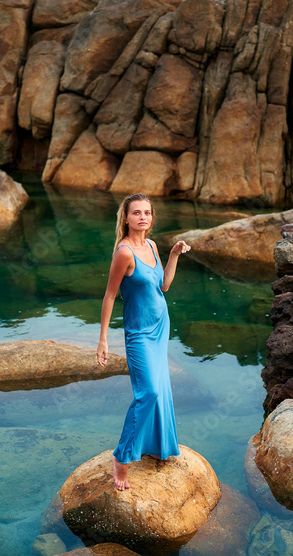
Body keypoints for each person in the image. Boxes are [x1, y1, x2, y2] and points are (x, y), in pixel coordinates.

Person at [97, 193, 191, 491]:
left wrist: (174, 254)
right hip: (138, 332)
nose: (142, 217)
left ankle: (155, 446)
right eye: (136, 213)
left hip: (160, 325)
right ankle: (121, 458)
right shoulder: (123, 253)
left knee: (160, 388)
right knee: (148, 391)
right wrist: (102, 340)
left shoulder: (150, 245)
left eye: (147, 213)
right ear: (126, 218)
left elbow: (162, 285)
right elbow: (110, 295)